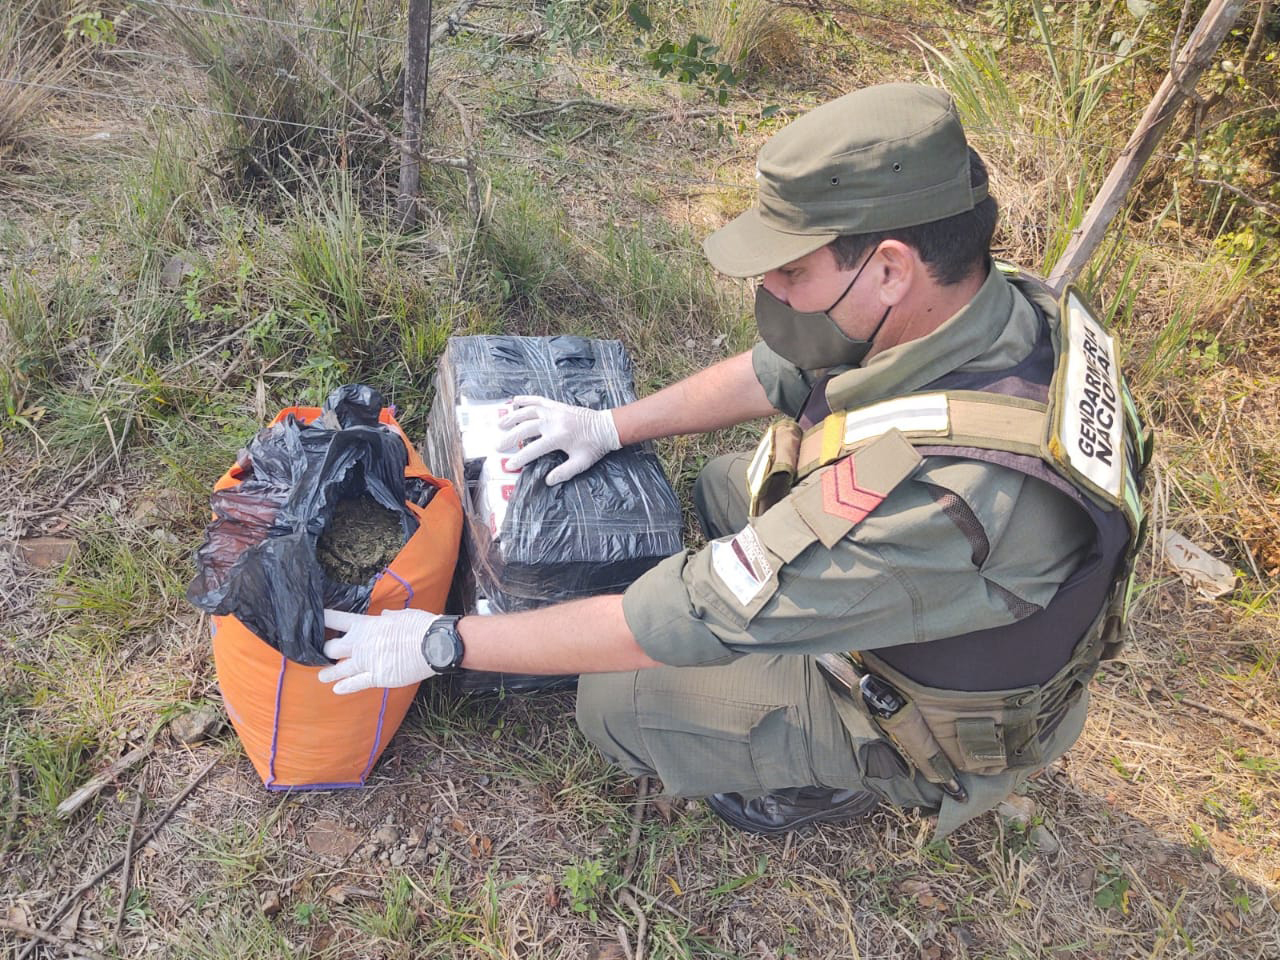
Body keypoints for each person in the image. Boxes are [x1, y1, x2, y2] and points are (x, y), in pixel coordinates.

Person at [319, 83, 1148, 837]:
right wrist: (609, 425)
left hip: (928, 697)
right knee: (727, 486)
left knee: (617, 700)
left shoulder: (951, 504)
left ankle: (851, 777)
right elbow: (779, 371)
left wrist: (443, 643)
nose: (772, 295)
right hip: (928, 576)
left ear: (890, 267)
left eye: (790, 271)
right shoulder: (977, 303)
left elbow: (688, 616)